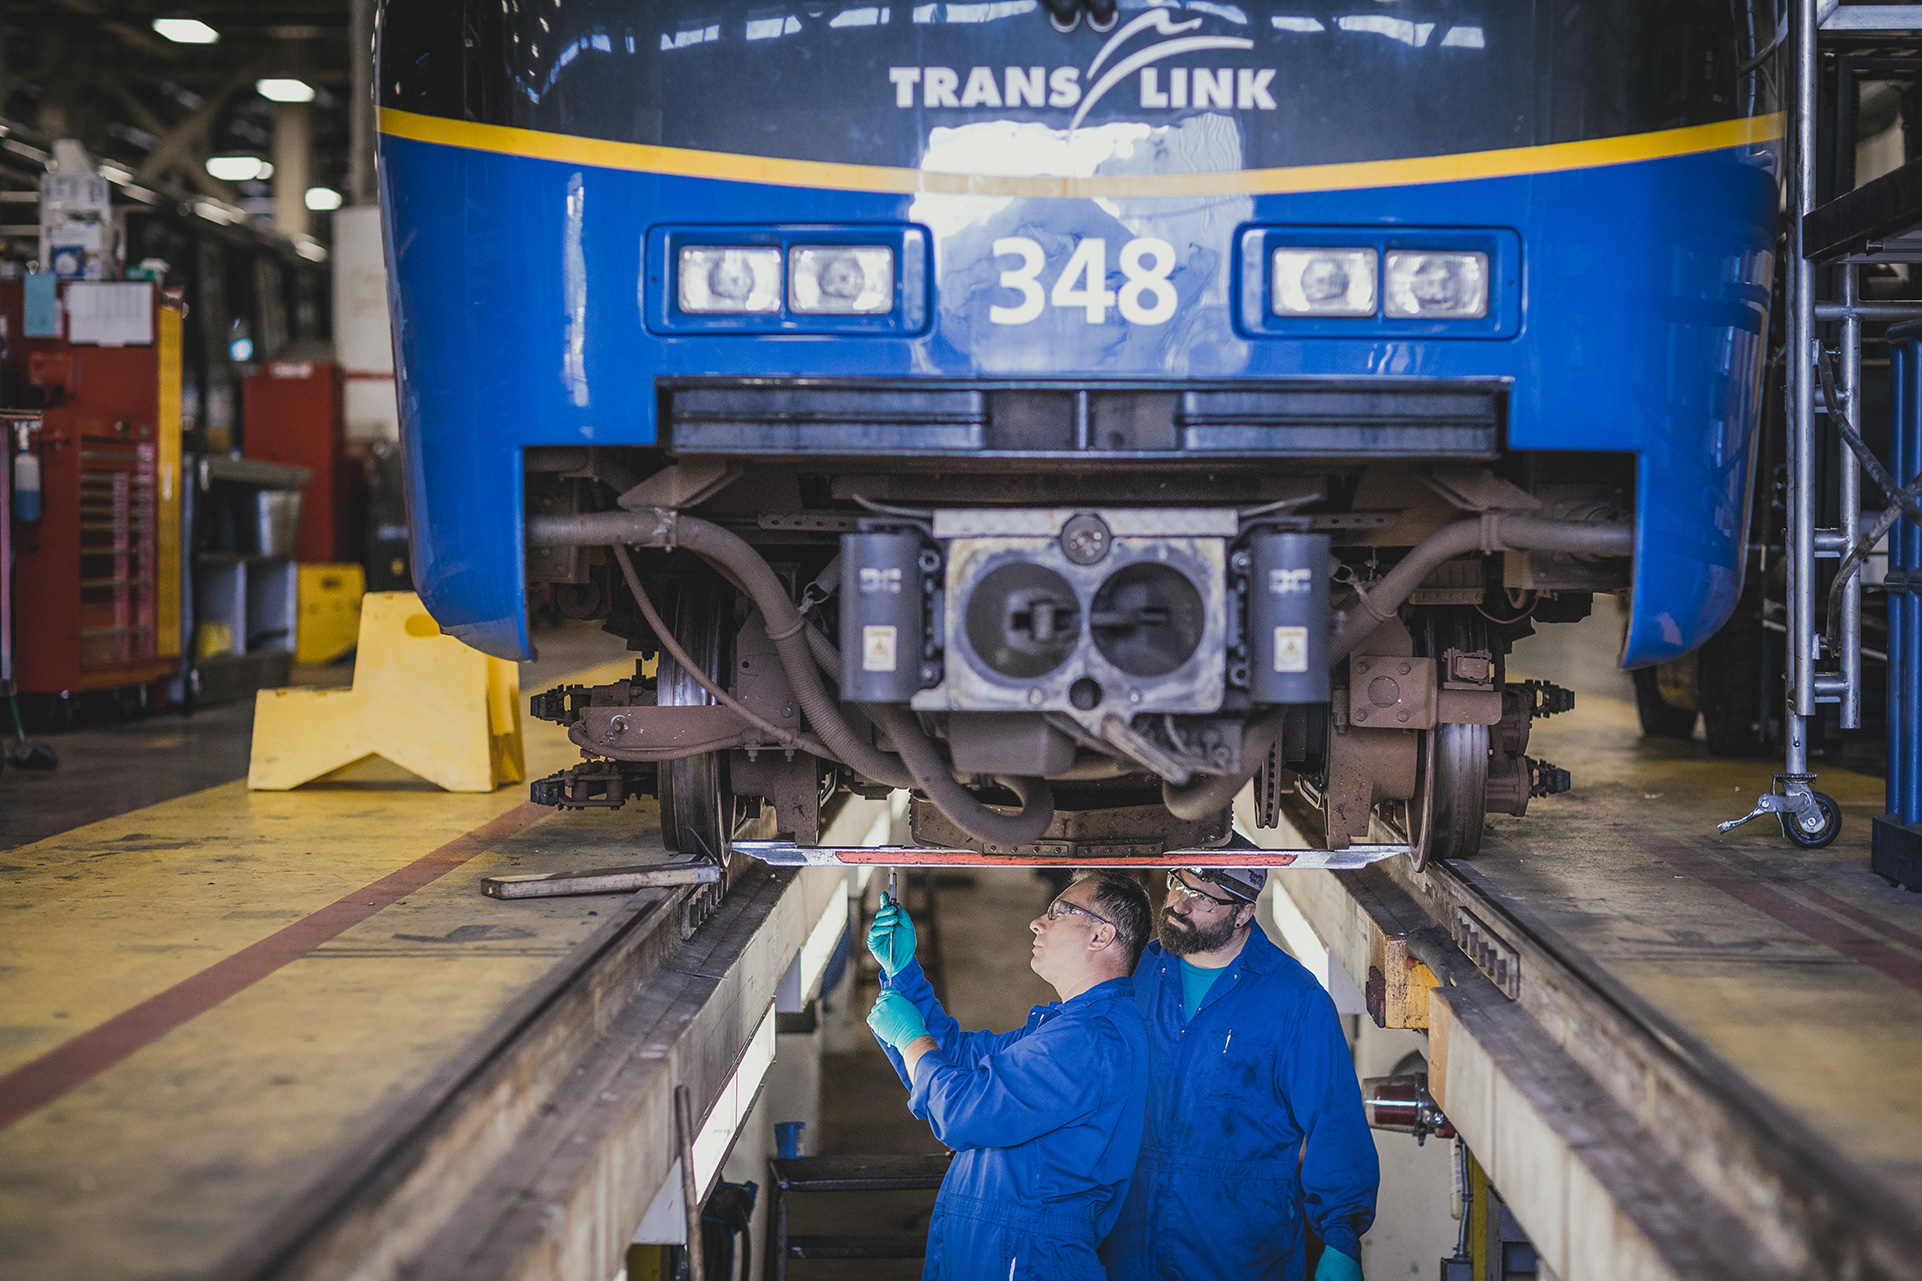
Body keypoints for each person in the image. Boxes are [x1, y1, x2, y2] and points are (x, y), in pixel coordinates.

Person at [865, 870, 1153, 1281]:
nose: (1037, 922)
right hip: (1004, 1246)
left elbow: (964, 1112)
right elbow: (959, 1061)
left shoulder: (1090, 1037)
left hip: (1025, 1255)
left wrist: (911, 1039)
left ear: (1100, 935)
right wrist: (903, 972)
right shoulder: (1069, 1027)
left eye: (1058, 912)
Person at [1102, 867, 1379, 1281]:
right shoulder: (1131, 973)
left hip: (1237, 1247)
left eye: (1204, 899)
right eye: (1178, 884)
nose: (1179, 904)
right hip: (1125, 1241)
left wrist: (1341, 1239)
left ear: (1243, 913)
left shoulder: (1295, 999)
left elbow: (1333, 1120)